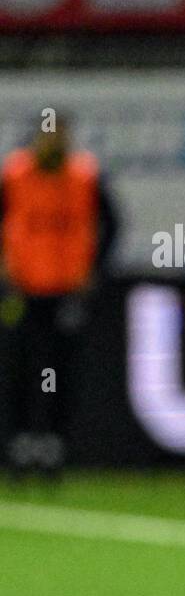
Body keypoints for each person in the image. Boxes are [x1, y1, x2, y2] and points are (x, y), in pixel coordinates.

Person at [0, 116, 118, 479]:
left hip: (65, 289)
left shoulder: (84, 176)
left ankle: (52, 444)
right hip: (24, 288)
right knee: (21, 367)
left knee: (57, 370)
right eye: (50, 135)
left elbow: (111, 224)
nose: (55, 142)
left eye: (61, 135)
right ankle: (21, 444)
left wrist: (92, 268)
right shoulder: (15, 175)